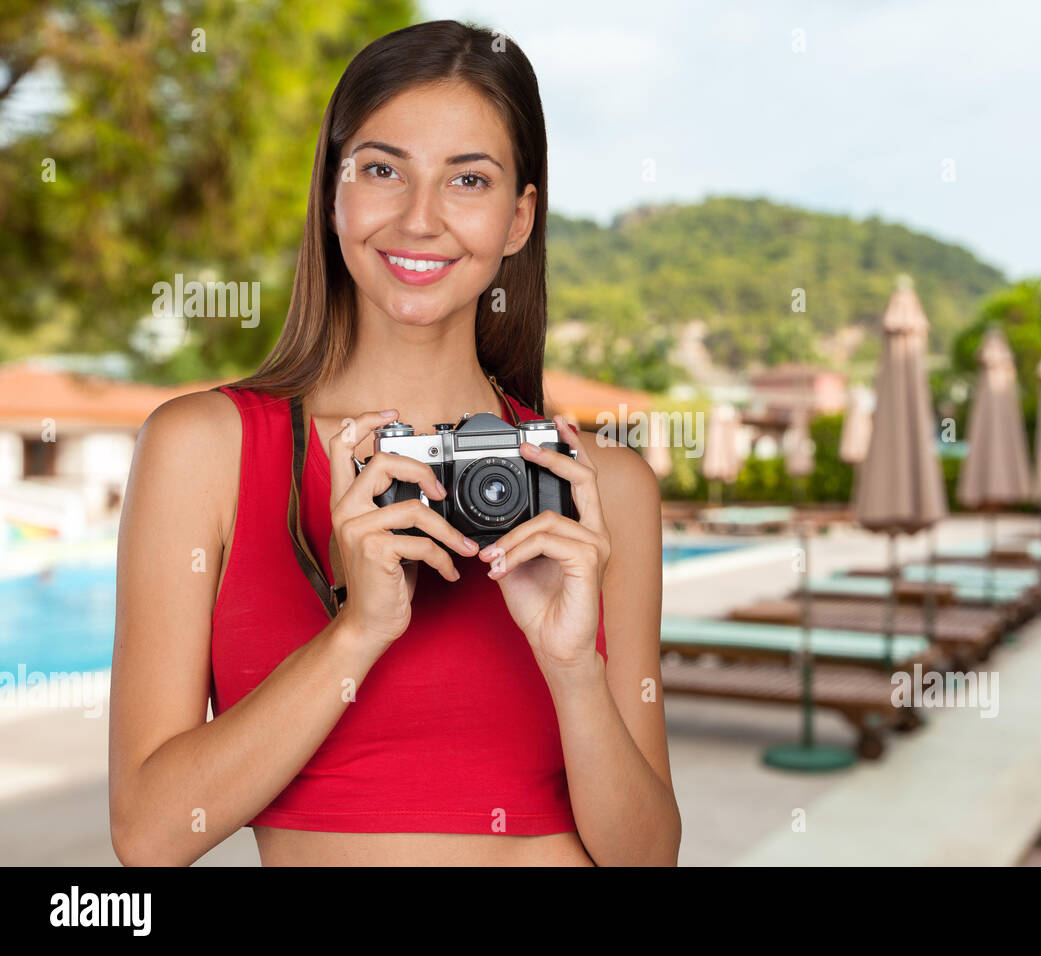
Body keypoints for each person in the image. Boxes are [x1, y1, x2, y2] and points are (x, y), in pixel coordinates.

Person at [109, 20, 679, 866]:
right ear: (333, 193)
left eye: (468, 180)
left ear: (519, 218)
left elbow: (648, 857)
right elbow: (150, 834)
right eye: (383, 170)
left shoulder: (603, 486)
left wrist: (573, 671)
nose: (420, 219)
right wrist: (357, 633)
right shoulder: (207, 450)